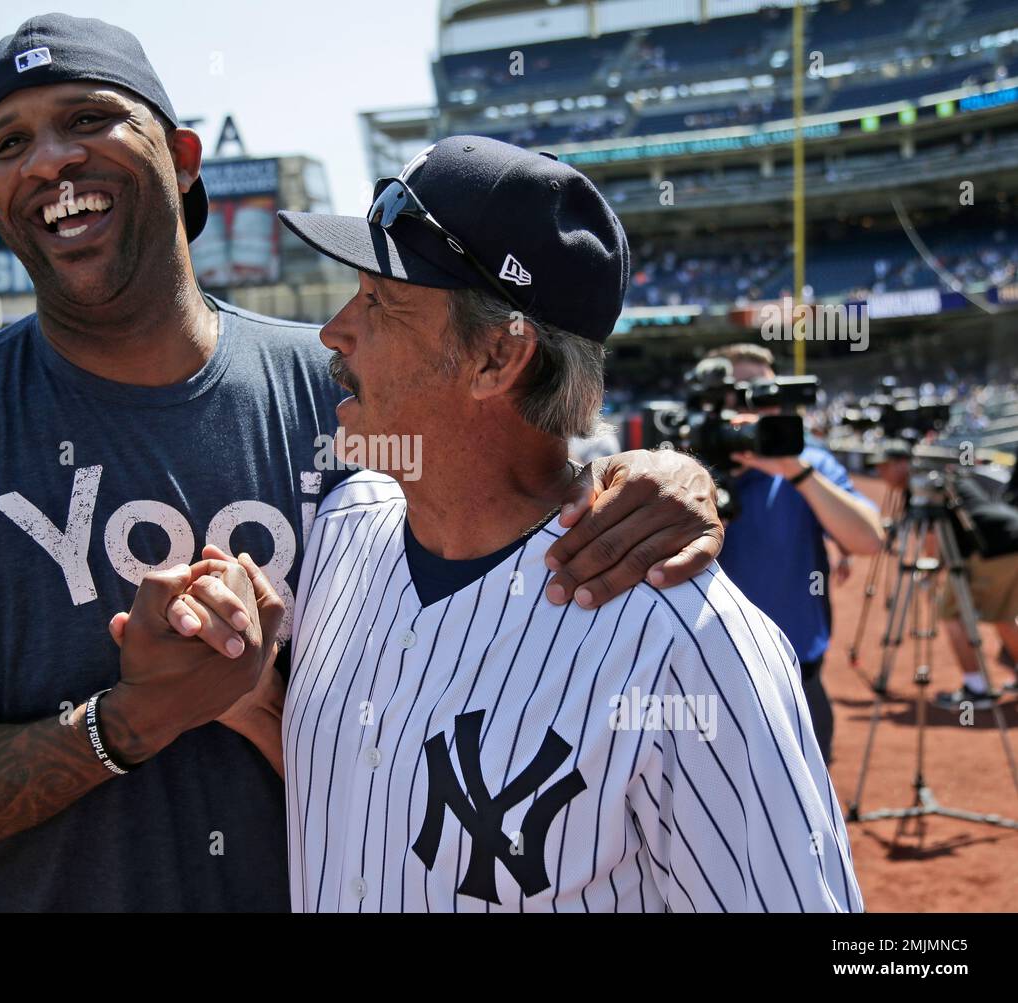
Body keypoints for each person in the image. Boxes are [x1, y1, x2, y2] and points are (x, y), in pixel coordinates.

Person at [0, 14, 723, 912]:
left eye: (87, 118)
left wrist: (658, 477)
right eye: (7, 144)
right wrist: (125, 723)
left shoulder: (353, 390)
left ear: (185, 156)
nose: (47, 159)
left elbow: (527, 479)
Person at [267, 136, 859, 911]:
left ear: (497, 358)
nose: (334, 330)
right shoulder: (345, 526)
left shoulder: (691, 637)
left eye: (380, 300)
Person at [707, 344, 884, 764]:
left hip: (797, 674)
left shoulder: (810, 462)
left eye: (767, 392)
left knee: (807, 815)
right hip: (707, 677)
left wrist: (794, 470)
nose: (759, 404)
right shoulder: (684, 467)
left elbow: (869, 540)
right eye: (744, 391)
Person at [873, 443, 1018, 709]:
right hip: (1007, 538)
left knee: (951, 613)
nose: (881, 473)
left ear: (903, 464)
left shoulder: (923, 490)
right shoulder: (946, 478)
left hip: (990, 549)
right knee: (1003, 615)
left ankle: (977, 688)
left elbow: (931, 541)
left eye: (885, 466)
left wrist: (929, 578)